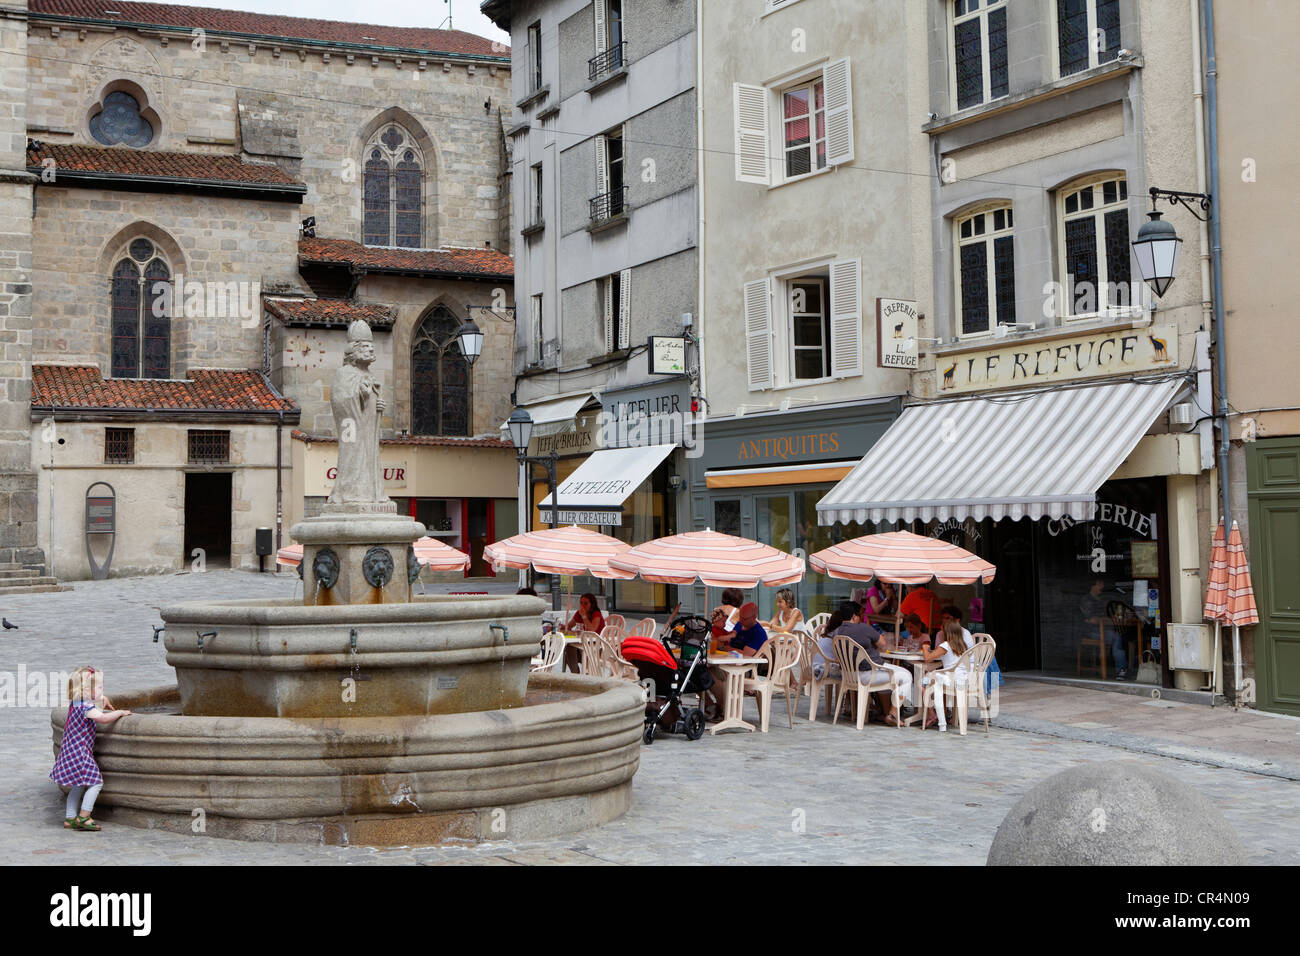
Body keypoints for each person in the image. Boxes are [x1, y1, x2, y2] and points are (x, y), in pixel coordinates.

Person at [51, 666, 131, 831]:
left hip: (70, 750)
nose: (102, 689)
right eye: (100, 687)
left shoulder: (77, 701)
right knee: (96, 783)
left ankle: (70, 817)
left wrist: (103, 698)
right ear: (87, 689)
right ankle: (84, 817)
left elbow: (95, 702)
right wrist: (120, 713)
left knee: (78, 784)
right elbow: (102, 718)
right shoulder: (86, 708)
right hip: (80, 753)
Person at [821, 600, 912, 726]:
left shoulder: (837, 632)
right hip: (867, 675)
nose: (862, 618)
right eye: (861, 615)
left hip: (848, 675)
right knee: (906, 676)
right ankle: (893, 714)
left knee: (887, 674)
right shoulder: (863, 628)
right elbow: (883, 643)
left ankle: (885, 713)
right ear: (854, 616)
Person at [919, 619, 971, 730]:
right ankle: (937, 716)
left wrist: (925, 648)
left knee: (922, 684)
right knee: (934, 679)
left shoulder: (946, 646)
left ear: (946, 633)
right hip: (963, 679)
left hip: (950, 680)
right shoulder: (962, 645)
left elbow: (928, 659)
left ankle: (932, 714)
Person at [1081, 579, 1129, 680]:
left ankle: (1122, 667)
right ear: (1092, 586)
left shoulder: (1101, 599)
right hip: (1090, 632)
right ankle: (1121, 670)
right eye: (1099, 584)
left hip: (1104, 630)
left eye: (1102, 583)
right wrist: (1109, 620)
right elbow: (1092, 620)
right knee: (1116, 637)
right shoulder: (1087, 600)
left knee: (1121, 635)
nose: (1102, 586)